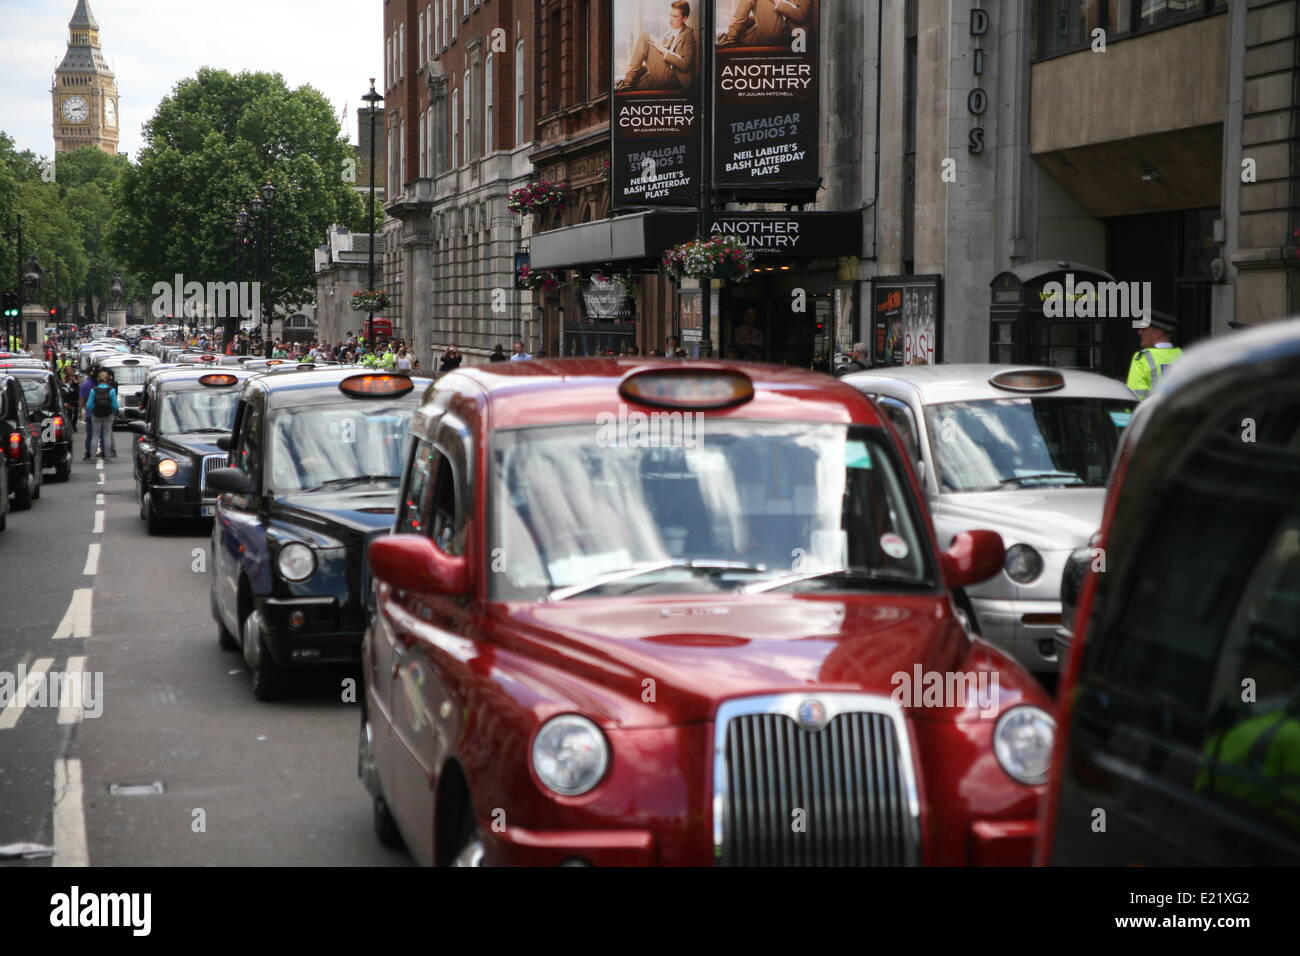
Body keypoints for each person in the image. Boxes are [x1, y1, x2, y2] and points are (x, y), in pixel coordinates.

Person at [617, 1, 698, 92]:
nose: (670, 19)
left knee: (645, 37)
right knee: (635, 83)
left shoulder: (688, 34)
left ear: (684, 18)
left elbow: (686, 64)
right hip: (662, 75)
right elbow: (655, 63)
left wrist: (663, 50)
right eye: (670, 15)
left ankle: (626, 82)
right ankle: (627, 81)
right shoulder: (668, 35)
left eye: (675, 16)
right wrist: (635, 69)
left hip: (675, 77)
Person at [1126, 310, 1183, 400]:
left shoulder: (1142, 357)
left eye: (1144, 329)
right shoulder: (1184, 356)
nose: (1139, 332)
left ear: (1157, 334)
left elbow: (1134, 397)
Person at [718, 0, 811, 48]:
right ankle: (732, 36)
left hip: (791, 36)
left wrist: (777, 1)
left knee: (736, 31)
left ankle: (730, 37)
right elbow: (768, 15)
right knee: (741, 33)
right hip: (767, 33)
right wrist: (744, 21)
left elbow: (801, 15)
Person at [86, 371, 118, 461]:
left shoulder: (93, 390)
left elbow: (89, 405)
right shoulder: (111, 390)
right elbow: (115, 405)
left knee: (95, 435)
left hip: (96, 415)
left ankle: (92, 456)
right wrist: (112, 411)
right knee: (107, 435)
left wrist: (94, 410)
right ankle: (107, 456)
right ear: (107, 379)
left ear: (98, 379)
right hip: (108, 414)